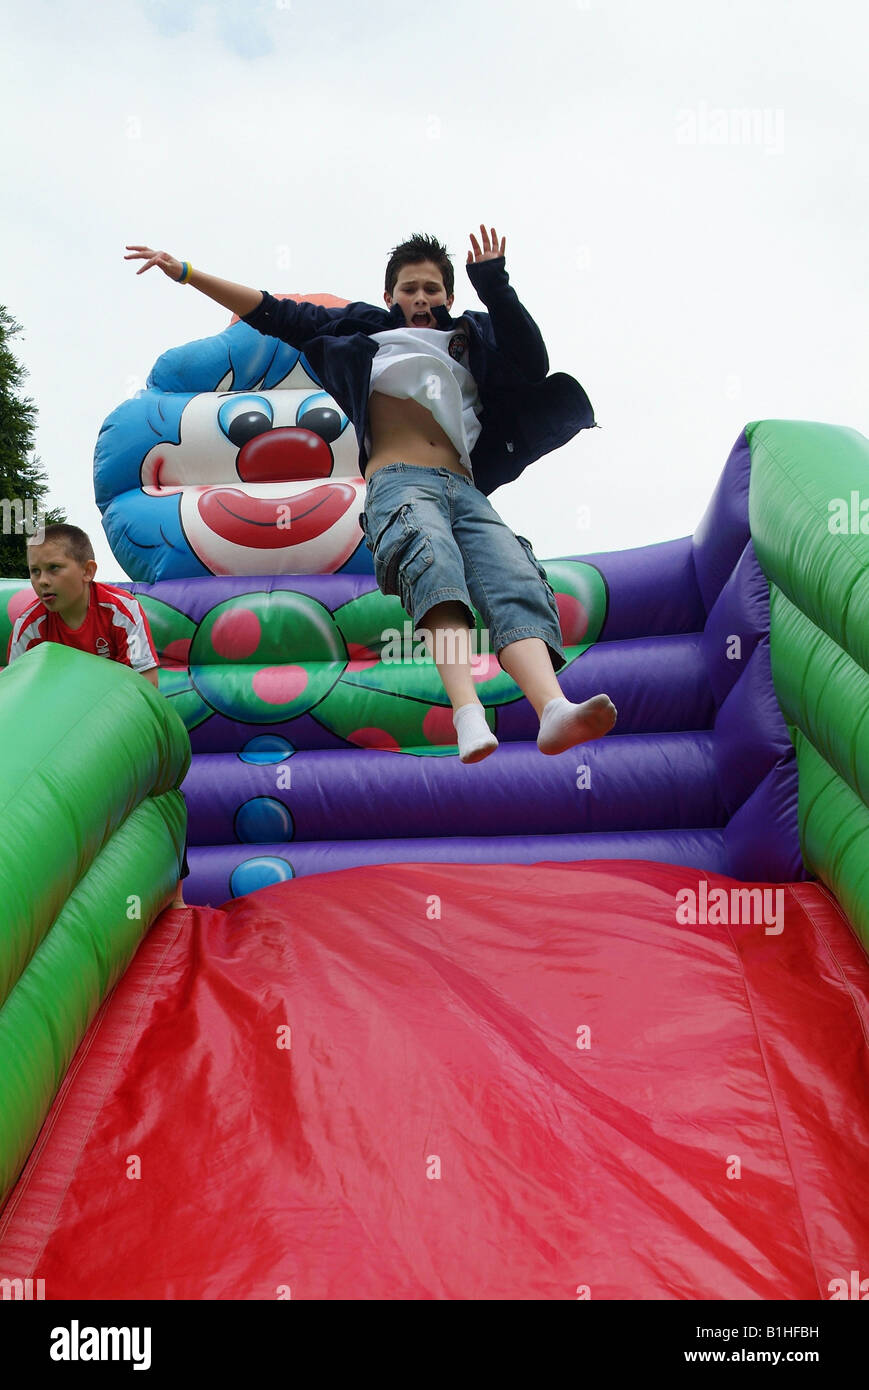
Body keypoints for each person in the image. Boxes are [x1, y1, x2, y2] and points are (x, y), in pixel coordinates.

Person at [125, 227, 617, 763]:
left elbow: (531, 362)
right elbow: (273, 311)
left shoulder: (472, 338)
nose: (421, 299)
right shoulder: (359, 331)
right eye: (410, 289)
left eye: (432, 289)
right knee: (433, 566)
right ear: (390, 296)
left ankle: (552, 709)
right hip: (400, 479)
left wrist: (494, 284)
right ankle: (466, 710)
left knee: (513, 577)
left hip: (466, 488)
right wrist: (188, 273)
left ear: (449, 297)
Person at [6, 523, 188, 910]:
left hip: (121, 732)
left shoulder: (119, 611)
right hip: (58, 740)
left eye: (54, 568)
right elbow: (19, 705)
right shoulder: (31, 626)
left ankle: (175, 898)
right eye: (35, 571)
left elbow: (146, 689)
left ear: (87, 571)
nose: (42, 582)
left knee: (166, 793)